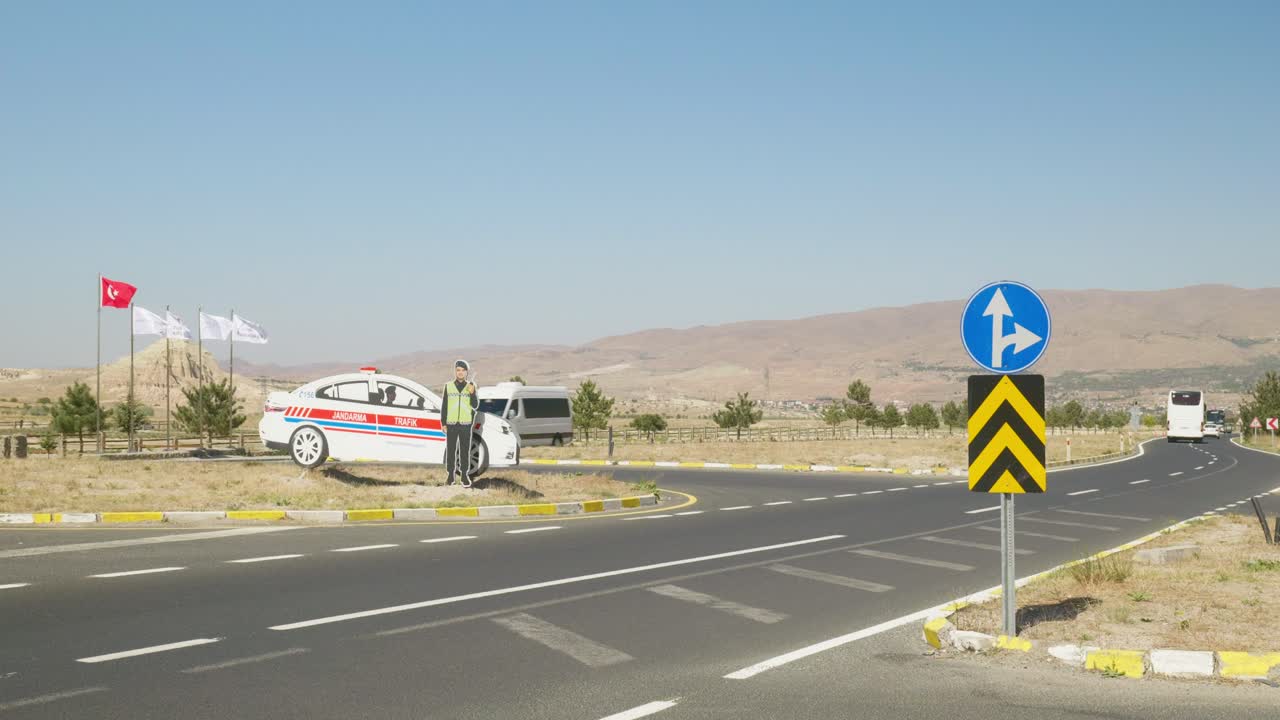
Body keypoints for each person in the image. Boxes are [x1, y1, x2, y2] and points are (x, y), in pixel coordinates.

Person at [442, 360, 479, 487]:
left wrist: (472, 393)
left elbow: (475, 405)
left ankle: (464, 476)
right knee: (451, 450)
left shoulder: (471, 386)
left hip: (465, 423)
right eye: (458, 370)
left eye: (463, 370)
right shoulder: (448, 386)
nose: (460, 372)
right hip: (451, 423)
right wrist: (443, 423)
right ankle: (450, 475)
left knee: (464, 451)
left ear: (466, 372)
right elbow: (445, 406)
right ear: (455, 371)